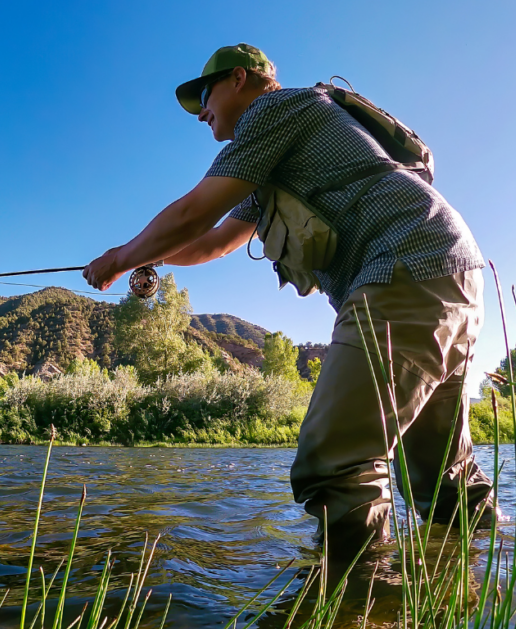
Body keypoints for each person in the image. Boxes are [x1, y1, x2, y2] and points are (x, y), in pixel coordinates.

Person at [83, 44, 494, 549]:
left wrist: (119, 258)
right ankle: (481, 594)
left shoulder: (276, 109)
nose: (201, 113)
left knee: (335, 460)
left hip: (405, 267)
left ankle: (352, 612)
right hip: (446, 273)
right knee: (441, 479)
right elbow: (211, 243)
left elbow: (194, 213)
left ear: (239, 79)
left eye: (204, 96)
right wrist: (148, 254)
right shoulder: (276, 158)